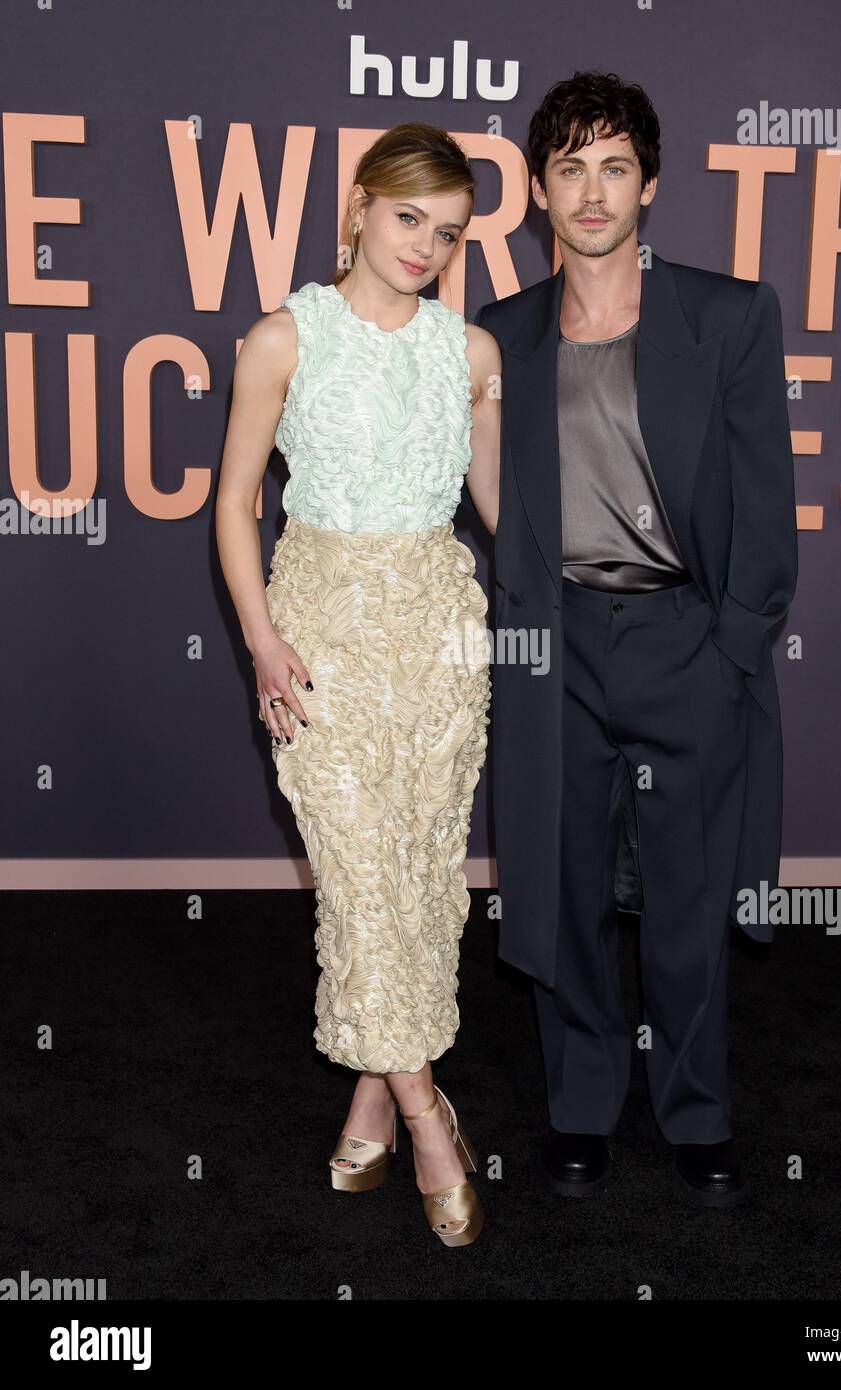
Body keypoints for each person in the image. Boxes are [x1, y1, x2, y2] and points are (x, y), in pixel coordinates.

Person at [473, 72, 798, 1206]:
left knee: (687, 896)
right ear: (537, 192)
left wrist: (730, 652)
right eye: (569, 168)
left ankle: (697, 1109)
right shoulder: (498, 338)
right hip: (553, 649)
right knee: (557, 890)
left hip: (679, 637)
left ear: (648, 184)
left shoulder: (726, 316)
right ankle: (577, 1105)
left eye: (614, 166)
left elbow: (764, 509)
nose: (592, 189)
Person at [215, 123, 501, 1247]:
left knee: (422, 871)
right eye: (407, 219)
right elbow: (235, 503)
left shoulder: (470, 355)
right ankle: (429, 1114)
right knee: (354, 876)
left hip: (436, 631)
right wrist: (262, 641)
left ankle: (370, 1099)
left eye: (449, 233)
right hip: (319, 626)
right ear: (359, 207)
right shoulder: (282, 340)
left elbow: (502, 515)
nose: (425, 247)